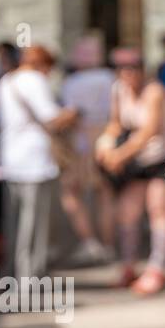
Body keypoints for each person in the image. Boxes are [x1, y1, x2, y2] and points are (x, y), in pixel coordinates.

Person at [96, 48, 165, 295]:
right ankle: (129, 265)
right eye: (122, 69)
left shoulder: (155, 91)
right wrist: (105, 142)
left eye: (132, 69)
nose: (128, 74)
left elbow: (150, 130)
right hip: (141, 158)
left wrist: (119, 155)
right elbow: (116, 122)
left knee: (160, 207)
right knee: (128, 211)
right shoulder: (118, 89)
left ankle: (158, 267)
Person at [0, 45, 78, 281]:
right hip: (35, 159)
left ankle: (12, 271)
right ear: (44, 65)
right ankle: (31, 275)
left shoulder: (6, 81)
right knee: (35, 223)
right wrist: (73, 113)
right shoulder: (34, 81)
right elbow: (51, 118)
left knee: (15, 221)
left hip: (11, 158)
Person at [58, 37, 115, 265]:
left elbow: (71, 114)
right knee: (106, 193)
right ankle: (109, 245)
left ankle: (90, 241)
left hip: (81, 140)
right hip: (107, 138)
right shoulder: (110, 79)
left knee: (71, 192)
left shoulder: (72, 82)